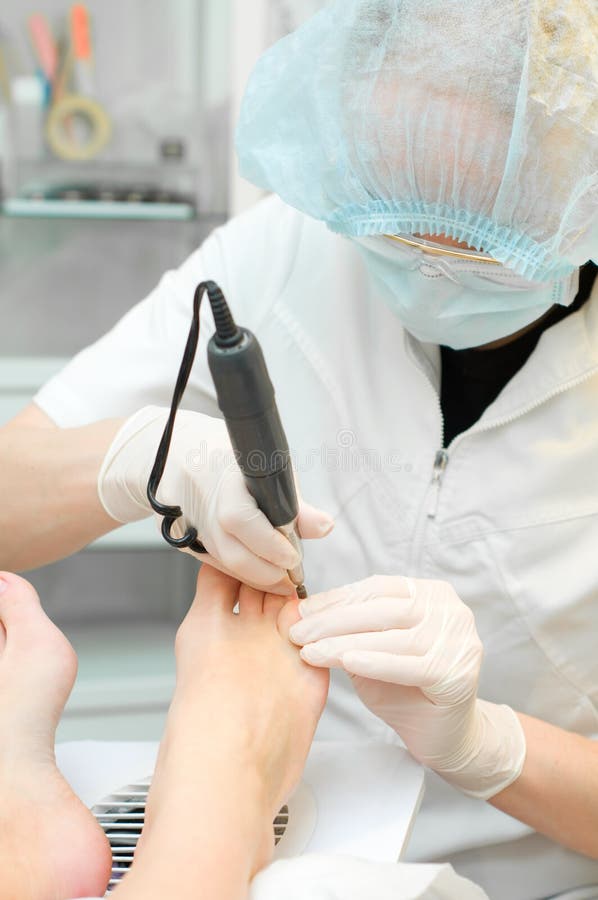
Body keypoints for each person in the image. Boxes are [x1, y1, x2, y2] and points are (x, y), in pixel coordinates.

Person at [0, 1, 596, 897]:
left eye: (479, 243)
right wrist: (142, 459)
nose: (429, 269)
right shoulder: (288, 244)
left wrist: (486, 745)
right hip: (269, 854)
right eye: (395, 227)